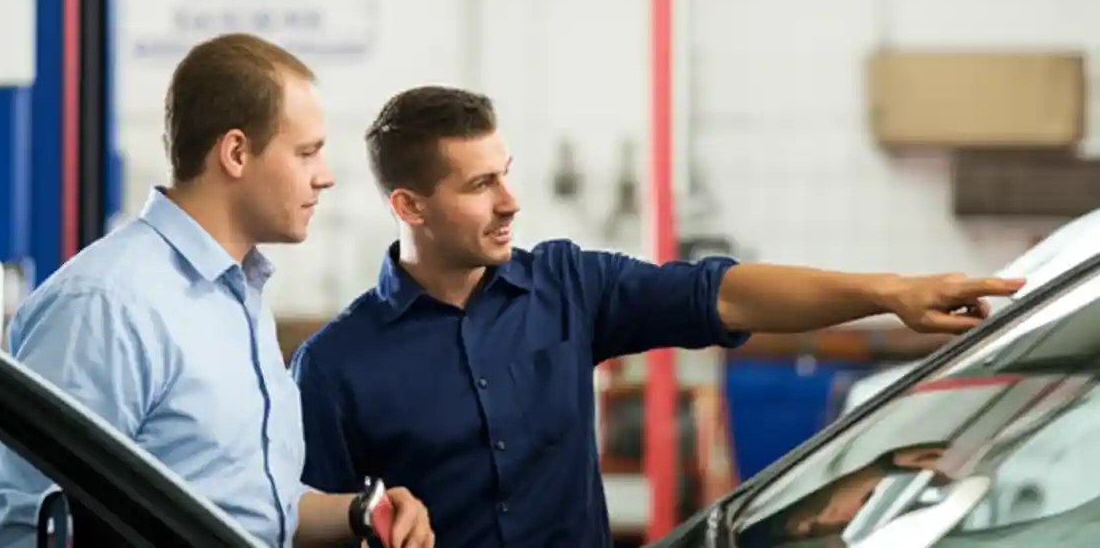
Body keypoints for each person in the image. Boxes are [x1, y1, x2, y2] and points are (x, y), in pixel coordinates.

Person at [289, 85, 1025, 547]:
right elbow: (307, 521)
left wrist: (888, 294)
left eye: (505, 173)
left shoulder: (569, 286)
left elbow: (725, 293)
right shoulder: (335, 365)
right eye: (480, 185)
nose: (510, 201)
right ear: (409, 206)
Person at [0, 34, 434, 548]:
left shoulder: (238, 296)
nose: (324, 177)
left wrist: (361, 511)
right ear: (236, 153)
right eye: (307, 153)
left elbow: (251, 505)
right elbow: (30, 527)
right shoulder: (106, 304)